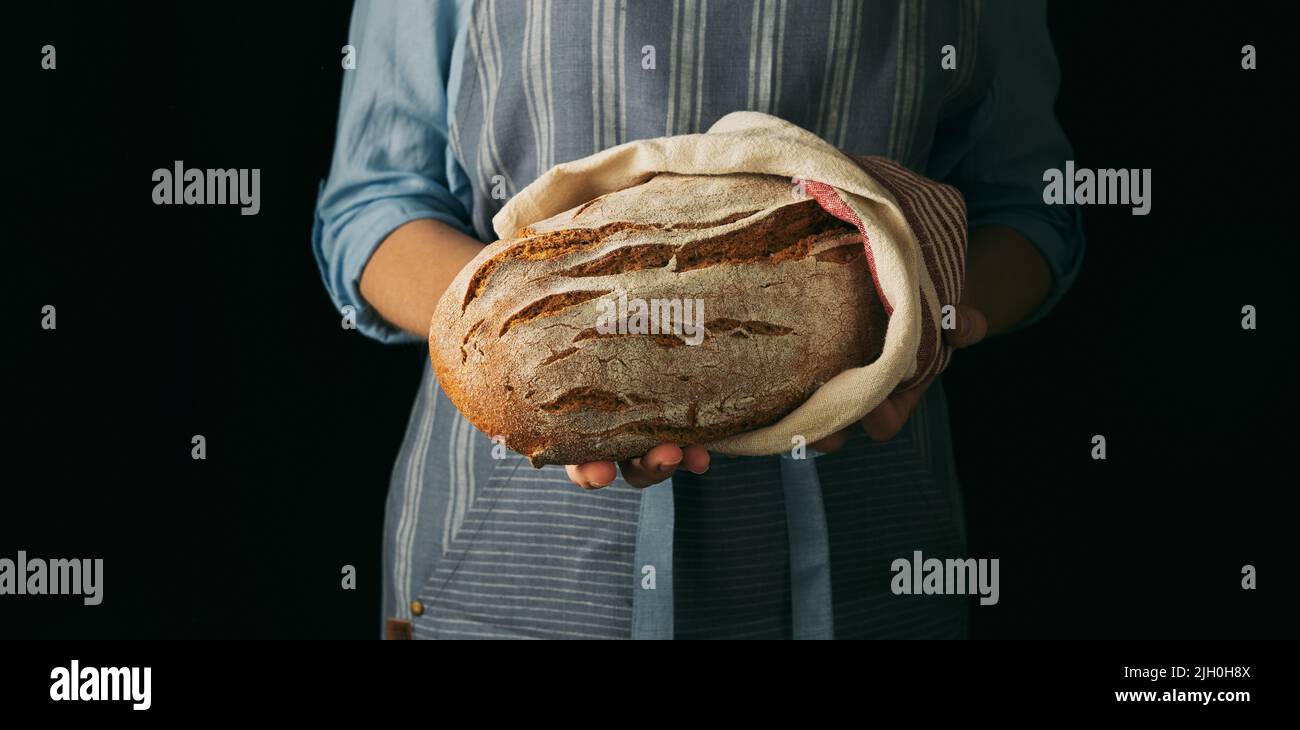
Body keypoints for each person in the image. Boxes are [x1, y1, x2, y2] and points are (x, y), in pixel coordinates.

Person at [312, 0, 1084, 639]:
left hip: (868, 549)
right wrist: (537, 333)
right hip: (515, 555)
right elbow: (373, 203)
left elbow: (1032, 204)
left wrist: (930, 313)